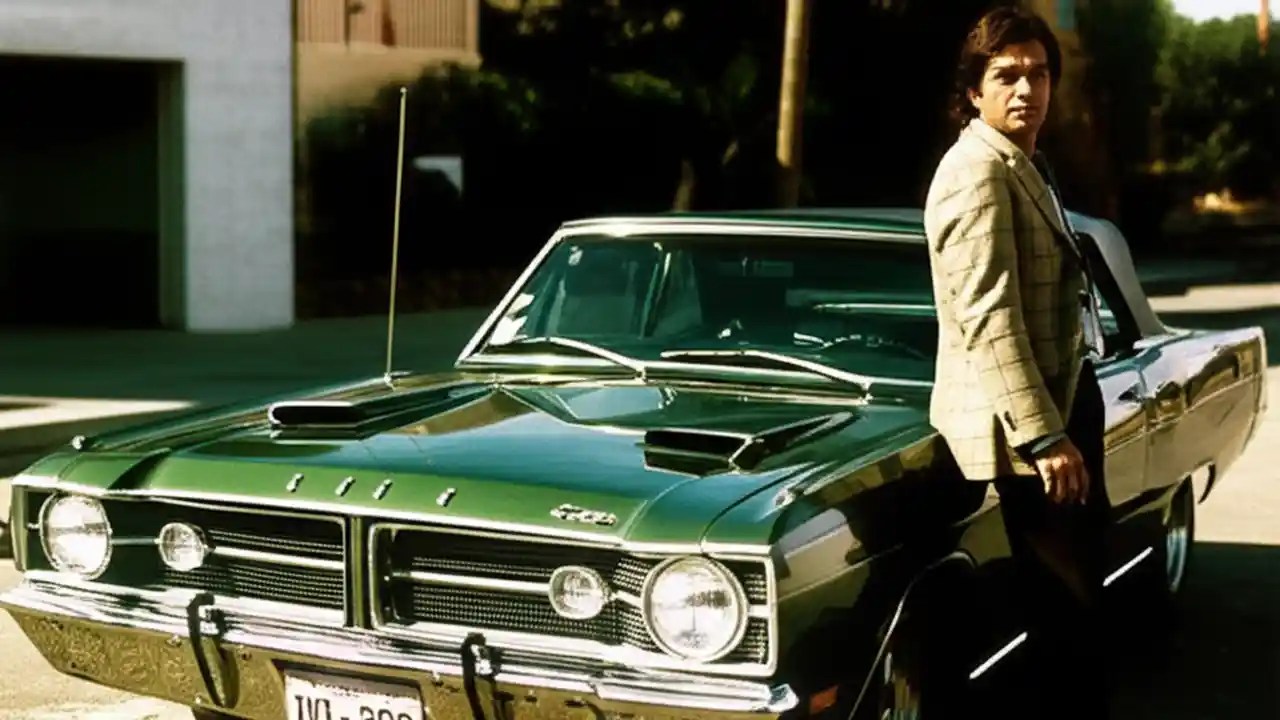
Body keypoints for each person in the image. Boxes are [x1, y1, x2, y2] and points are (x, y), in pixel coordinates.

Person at [923, 5, 1112, 718]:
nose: (1026, 89)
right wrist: (1045, 436)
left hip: (1065, 401)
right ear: (974, 90)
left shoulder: (1021, 160)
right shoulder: (976, 172)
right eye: (1006, 76)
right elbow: (990, 320)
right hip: (1029, 432)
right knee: (1066, 618)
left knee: (1077, 609)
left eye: (1038, 73)